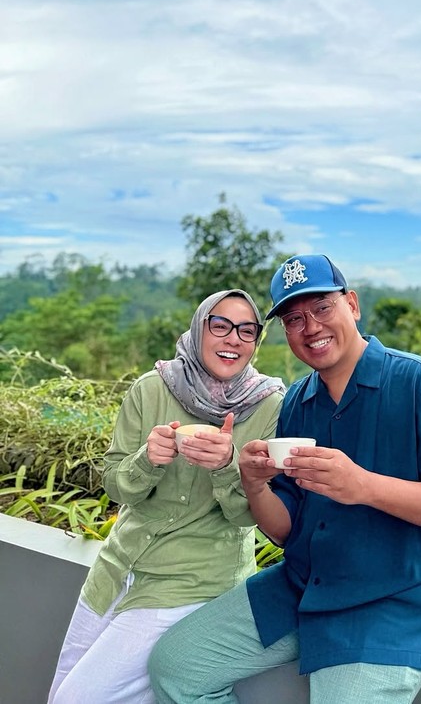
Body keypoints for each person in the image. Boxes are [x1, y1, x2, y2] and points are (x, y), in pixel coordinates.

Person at [149, 255, 421, 704]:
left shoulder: (416, 382)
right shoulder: (298, 402)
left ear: (352, 304)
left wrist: (363, 485)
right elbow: (286, 528)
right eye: (294, 319)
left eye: (322, 308)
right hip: (303, 585)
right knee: (176, 668)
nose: (310, 327)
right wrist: (253, 482)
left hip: (389, 603)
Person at [48, 289, 285, 704]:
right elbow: (114, 484)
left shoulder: (269, 407)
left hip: (189, 584)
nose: (234, 338)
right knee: (60, 693)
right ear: (198, 328)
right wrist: (147, 460)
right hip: (114, 571)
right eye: (221, 325)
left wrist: (227, 465)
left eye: (247, 331)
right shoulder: (152, 388)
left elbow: (251, 516)